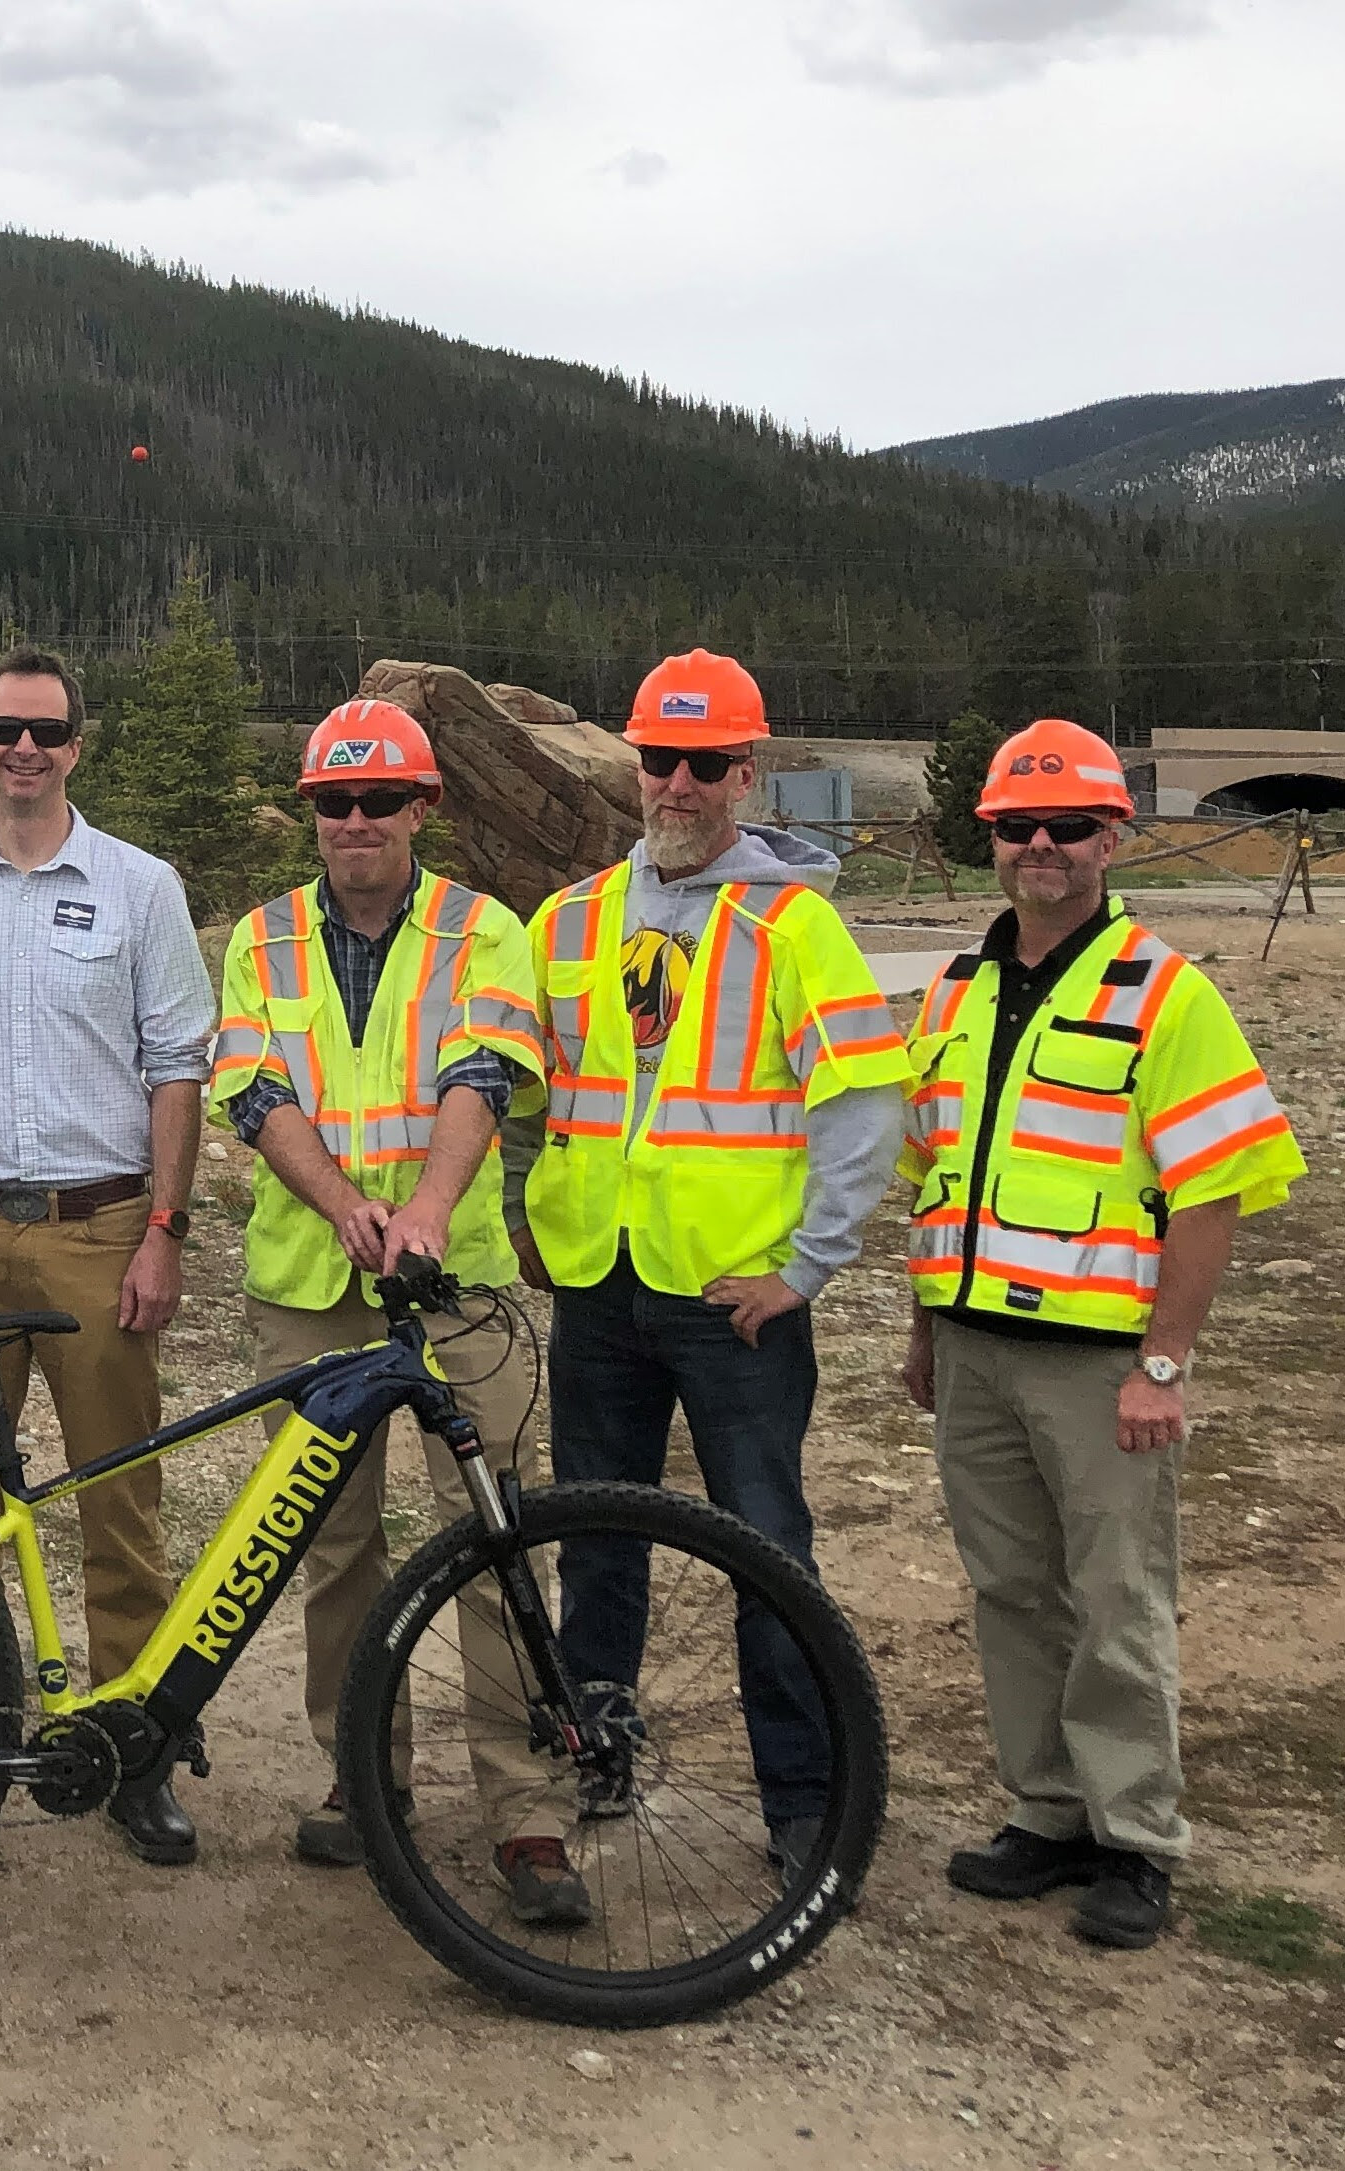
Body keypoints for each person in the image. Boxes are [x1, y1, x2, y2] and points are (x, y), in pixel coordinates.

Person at [898, 718, 1303, 1952]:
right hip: (971, 1348)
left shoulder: (1165, 993)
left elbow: (1218, 1184)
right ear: (992, 840)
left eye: (1067, 825)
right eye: (1017, 826)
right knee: (1012, 1589)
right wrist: (924, 1335)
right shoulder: (957, 991)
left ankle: (1136, 1836)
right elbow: (933, 1172)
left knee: (1117, 1595)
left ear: (1112, 837)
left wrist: (1163, 1362)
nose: (1041, 847)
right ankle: (1049, 1809)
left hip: (1098, 1361)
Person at [516, 648, 913, 1884]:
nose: (677, 784)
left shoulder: (798, 924)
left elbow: (862, 1102)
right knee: (595, 1537)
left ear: (748, 771)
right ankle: (599, 1745)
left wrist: (805, 1269)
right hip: (597, 1282)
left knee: (768, 1544)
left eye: (704, 762)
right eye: (658, 759)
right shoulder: (571, 917)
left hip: (730, 1299)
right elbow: (514, 1080)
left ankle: (802, 1802)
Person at [211, 703, 579, 1917]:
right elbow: (254, 1086)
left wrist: (423, 1207)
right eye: (334, 801)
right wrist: (341, 1206)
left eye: (380, 801)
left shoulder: (486, 931)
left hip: (455, 1281)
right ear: (311, 811)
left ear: (425, 808)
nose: (355, 822)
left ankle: (526, 1813)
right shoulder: (260, 938)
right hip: (315, 1285)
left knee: (497, 1540)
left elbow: (487, 1072)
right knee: (338, 1549)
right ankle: (363, 1772)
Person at [0, 646, 217, 1866]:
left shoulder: (142, 888)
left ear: (79, 743)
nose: (26, 748)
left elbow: (179, 1065)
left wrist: (166, 1229)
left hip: (103, 1230)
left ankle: (132, 1745)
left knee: (118, 1500)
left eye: (49, 730)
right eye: (5, 728)